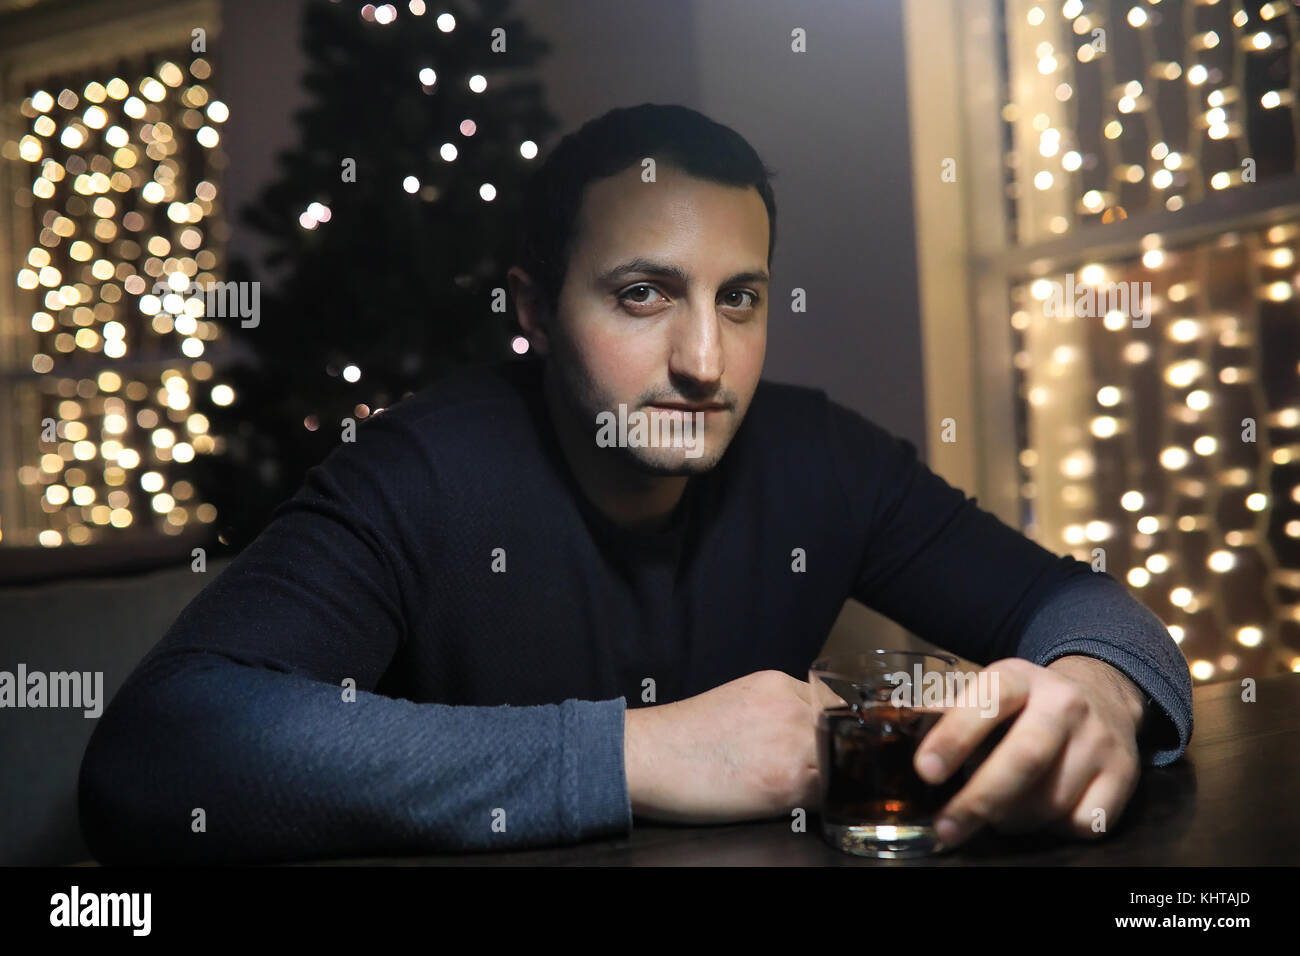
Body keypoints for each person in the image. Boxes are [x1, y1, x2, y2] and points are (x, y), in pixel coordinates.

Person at [78, 103, 1192, 864]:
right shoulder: (420, 472)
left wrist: (1100, 685)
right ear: (531, 310)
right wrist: (638, 749)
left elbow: (1081, 604)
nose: (706, 361)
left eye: (741, 298)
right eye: (644, 293)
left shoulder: (822, 458)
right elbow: (162, 745)